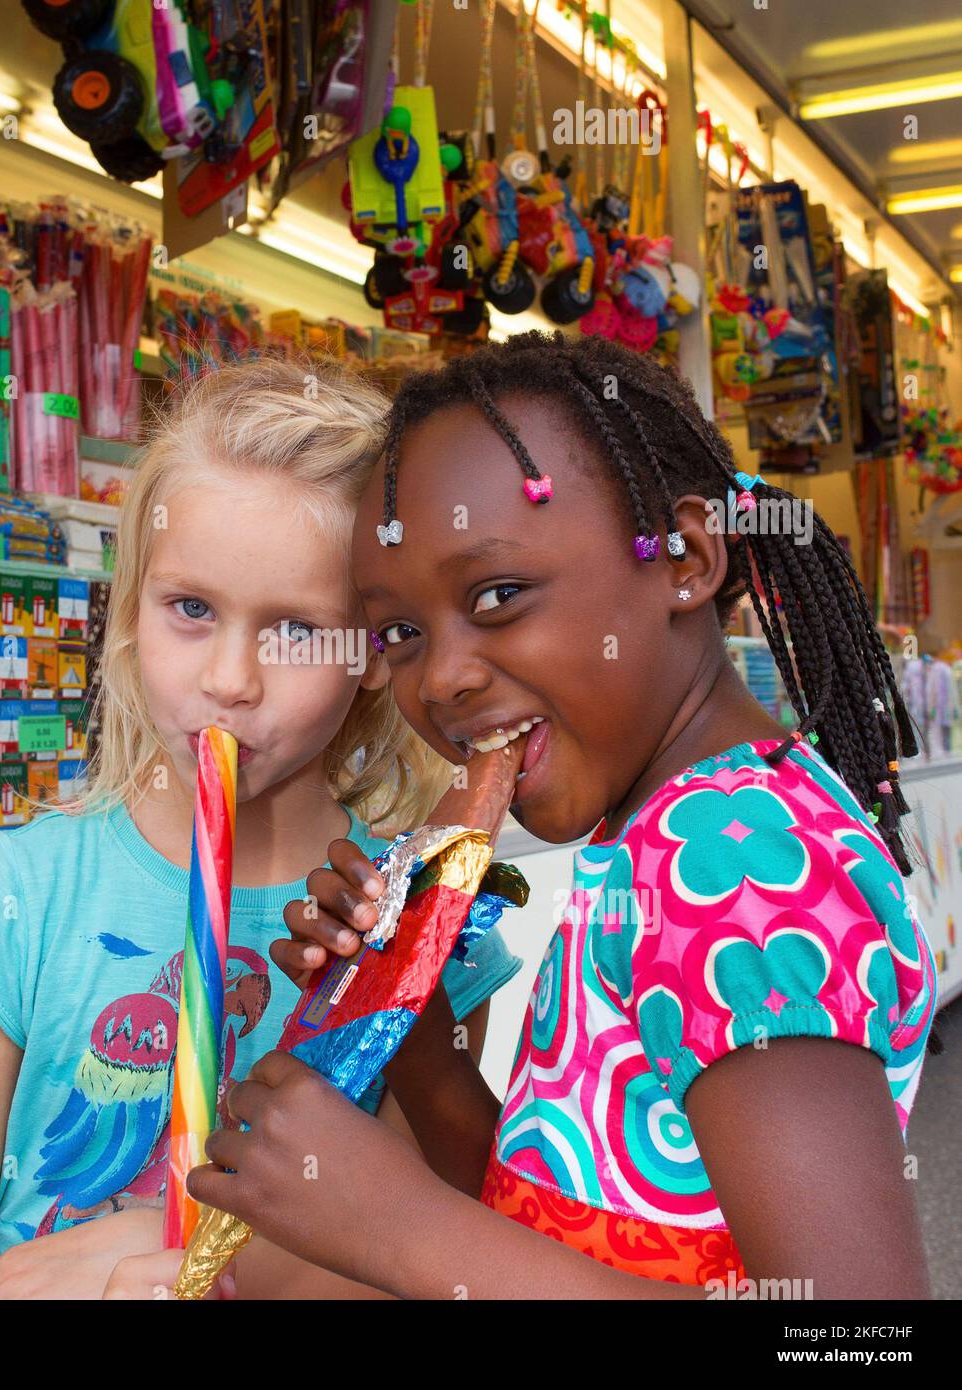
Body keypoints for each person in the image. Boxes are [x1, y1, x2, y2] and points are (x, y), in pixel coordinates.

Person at [183, 332, 938, 1299]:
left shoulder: (740, 873)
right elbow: (557, 1215)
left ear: (687, 559)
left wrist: (399, 1226)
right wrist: (413, 1032)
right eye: (401, 633)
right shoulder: (667, 838)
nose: (445, 677)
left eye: (499, 595)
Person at [0, 357, 522, 1299]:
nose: (229, 680)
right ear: (131, 610)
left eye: (296, 631)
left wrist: (230, 1264)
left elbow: (425, 1247)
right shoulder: (13, 899)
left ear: (373, 652)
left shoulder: (422, 929)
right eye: (190, 608)